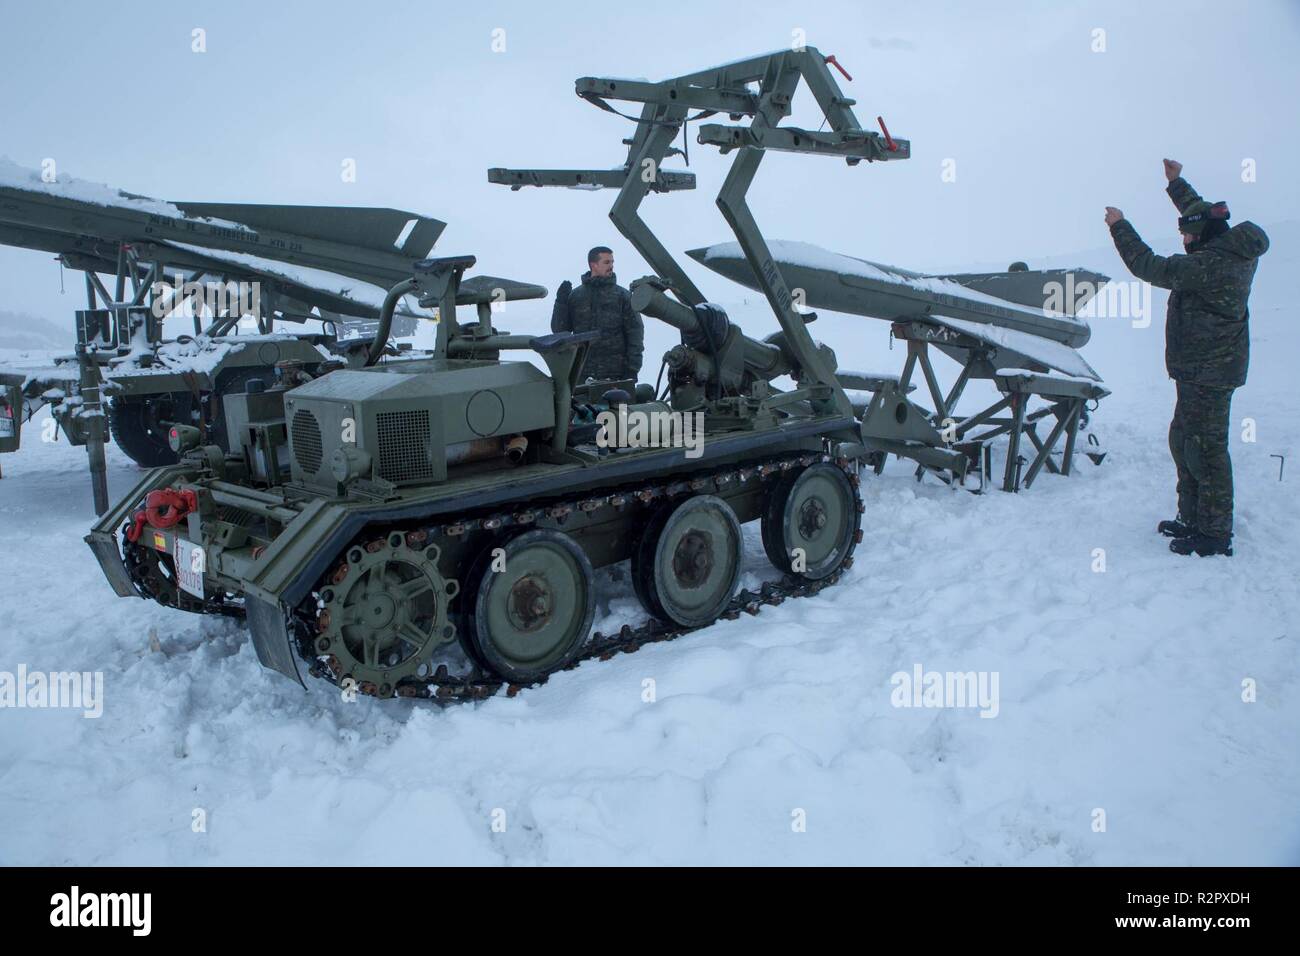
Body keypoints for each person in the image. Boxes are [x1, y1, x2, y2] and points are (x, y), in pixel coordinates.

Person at [1104, 159, 1269, 557]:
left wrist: (1119, 226)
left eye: (1187, 237)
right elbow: (1201, 212)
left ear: (1202, 238)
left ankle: (1214, 533)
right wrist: (1176, 183)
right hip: (1198, 370)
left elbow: (1148, 265)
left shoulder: (1212, 265)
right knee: (1184, 441)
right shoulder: (1223, 244)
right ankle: (1192, 517)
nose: (1184, 242)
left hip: (1210, 373)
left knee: (1207, 450)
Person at [550, 246, 644, 383]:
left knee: (622, 406)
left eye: (612, 262)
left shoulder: (623, 296)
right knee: (580, 406)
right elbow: (559, 330)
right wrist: (561, 303)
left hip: (616, 377)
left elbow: (635, 333)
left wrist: (632, 370)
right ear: (593, 264)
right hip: (581, 376)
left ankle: (622, 405)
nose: (611, 266)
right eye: (606, 262)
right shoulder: (576, 296)